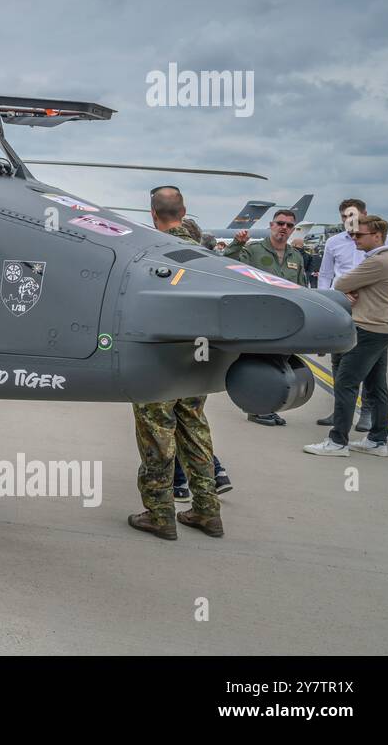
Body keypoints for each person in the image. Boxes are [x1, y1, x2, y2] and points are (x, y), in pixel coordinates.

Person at [128, 187, 224, 540]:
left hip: (160, 360)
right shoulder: (208, 254)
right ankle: (207, 511)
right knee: (195, 430)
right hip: (200, 359)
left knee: (157, 436)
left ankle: (159, 514)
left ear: (153, 214)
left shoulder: (150, 252)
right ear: (184, 211)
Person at [305, 215, 388, 457]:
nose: (354, 238)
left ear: (377, 236)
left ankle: (338, 442)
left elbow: (341, 282)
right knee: (376, 386)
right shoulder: (385, 259)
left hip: (367, 330)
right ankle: (377, 440)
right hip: (382, 328)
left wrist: (349, 287)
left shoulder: (378, 261)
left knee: (346, 383)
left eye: (359, 235)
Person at [224, 208, 305, 425]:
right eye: (280, 223)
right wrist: (237, 244)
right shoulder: (253, 250)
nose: (284, 228)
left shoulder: (295, 256)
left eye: (289, 225)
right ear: (271, 225)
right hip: (259, 317)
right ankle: (256, 408)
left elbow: (302, 287)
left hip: (287, 319)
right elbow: (227, 265)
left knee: (279, 363)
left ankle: (268, 406)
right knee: (258, 363)